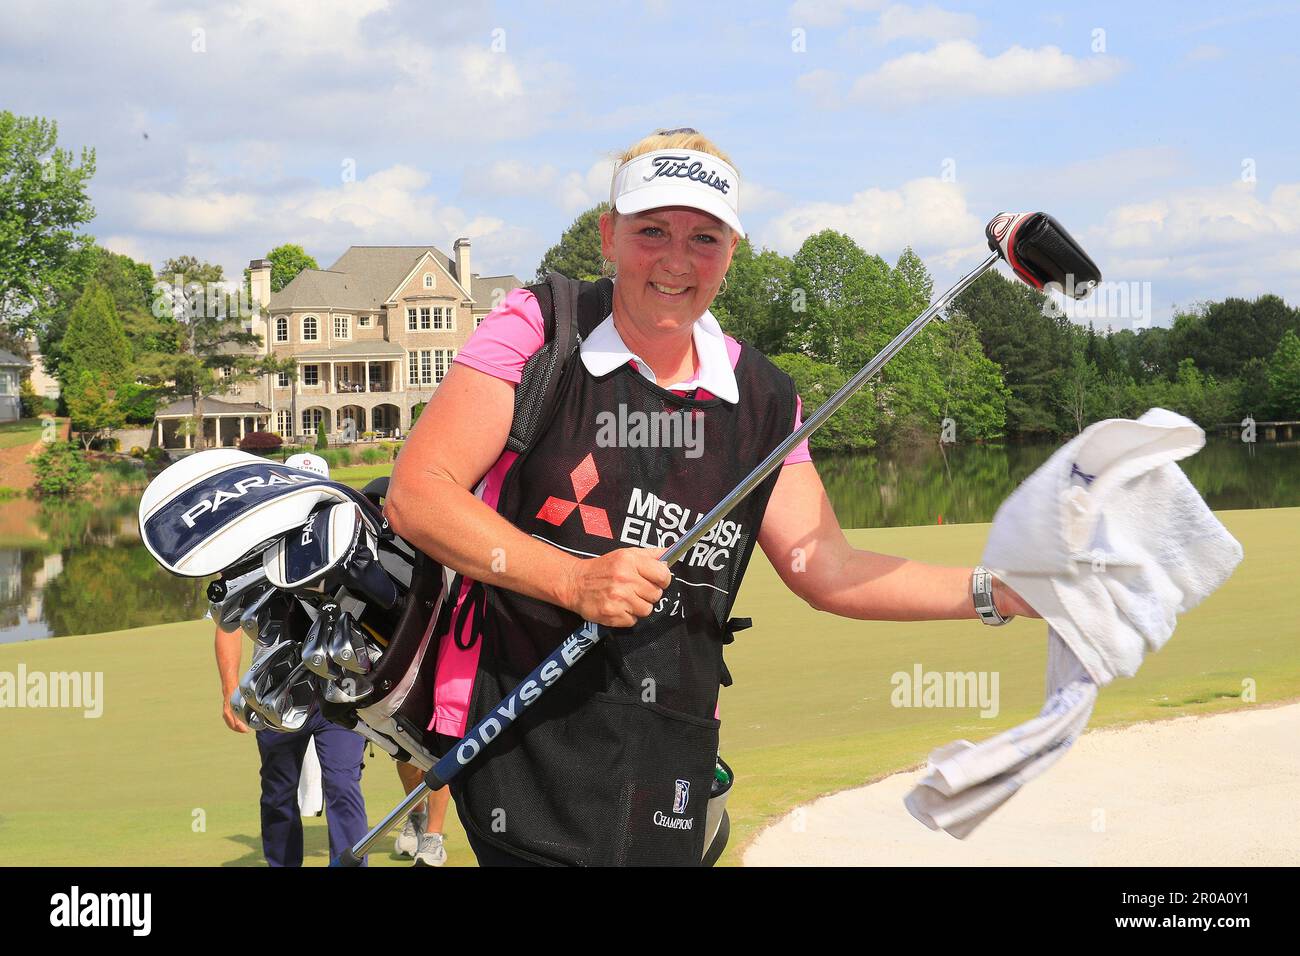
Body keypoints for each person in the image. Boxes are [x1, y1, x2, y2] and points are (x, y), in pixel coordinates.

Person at [385, 128, 1039, 866]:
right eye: (651, 231)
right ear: (608, 235)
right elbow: (419, 493)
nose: (675, 260)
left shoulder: (764, 398)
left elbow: (824, 566)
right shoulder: (542, 326)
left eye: (704, 238)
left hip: (673, 728)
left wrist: (1006, 591)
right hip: (523, 716)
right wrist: (572, 579)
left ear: (733, 251)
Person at [215, 451, 370, 867]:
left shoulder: (349, 540)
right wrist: (230, 689)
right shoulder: (252, 551)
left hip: (340, 686)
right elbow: (227, 623)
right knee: (278, 791)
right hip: (275, 690)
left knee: (343, 784)